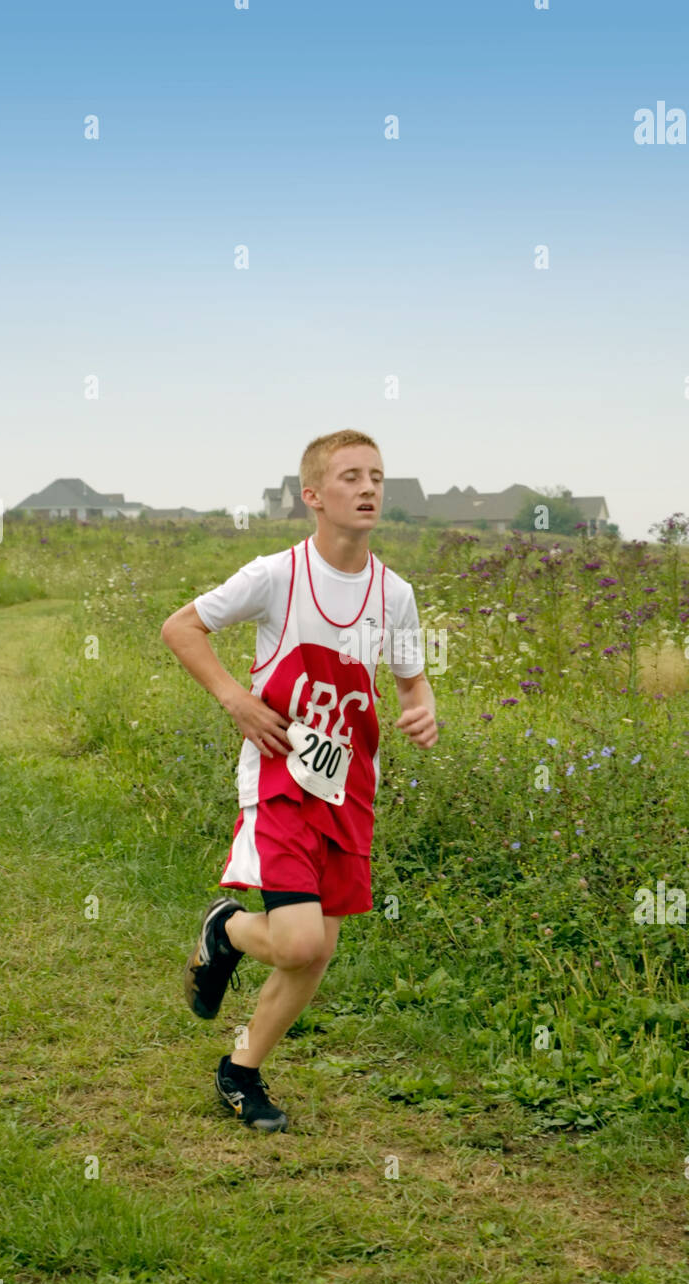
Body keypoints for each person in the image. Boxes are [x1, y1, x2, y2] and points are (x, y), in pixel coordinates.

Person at [161, 429, 438, 1132]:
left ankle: (241, 1070)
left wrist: (420, 710)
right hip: (281, 778)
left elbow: (411, 682)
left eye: (377, 475)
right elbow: (182, 628)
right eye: (350, 477)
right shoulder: (276, 575)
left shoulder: (394, 593)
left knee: (317, 953)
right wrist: (236, 698)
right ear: (313, 496)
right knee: (300, 942)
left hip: (348, 791)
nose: (369, 488)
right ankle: (224, 929)